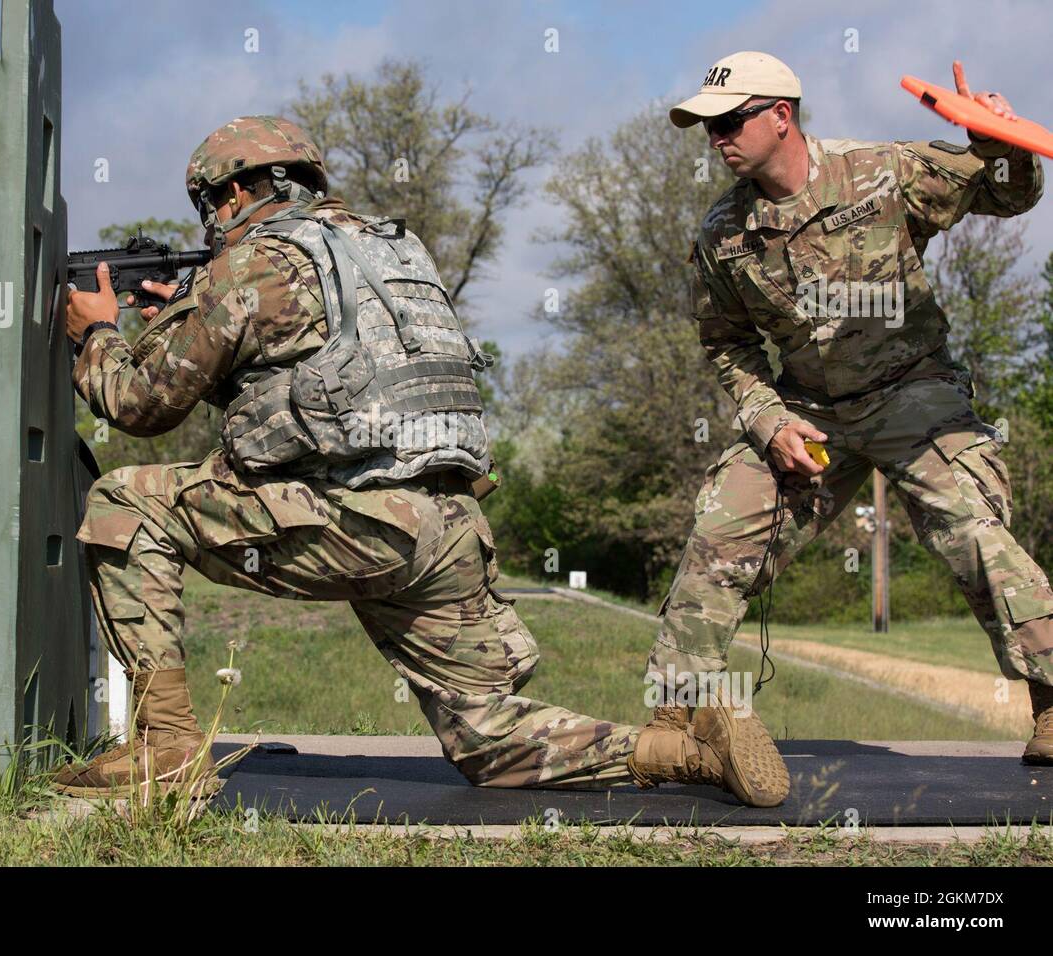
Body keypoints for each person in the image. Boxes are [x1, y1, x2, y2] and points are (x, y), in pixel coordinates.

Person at [56, 115, 790, 805]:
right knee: (489, 742)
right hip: (444, 526)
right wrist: (184, 333)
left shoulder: (256, 263)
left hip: (354, 519)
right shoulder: (390, 250)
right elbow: (312, 401)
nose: (211, 219)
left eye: (212, 201)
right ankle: (689, 754)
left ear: (242, 189)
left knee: (126, 501)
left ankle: (167, 748)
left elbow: (137, 407)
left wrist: (99, 334)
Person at [647, 52, 1050, 764]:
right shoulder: (723, 236)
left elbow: (1006, 194)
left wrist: (999, 142)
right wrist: (769, 421)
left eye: (730, 120)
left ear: (781, 116)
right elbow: (727, 345)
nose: (717, 137)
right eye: (707, 125)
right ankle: (675, 728)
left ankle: (1052, 704)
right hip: (809, 411)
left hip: (912, 389)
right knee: (720, 538)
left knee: (972, 530)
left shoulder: (883, 169)